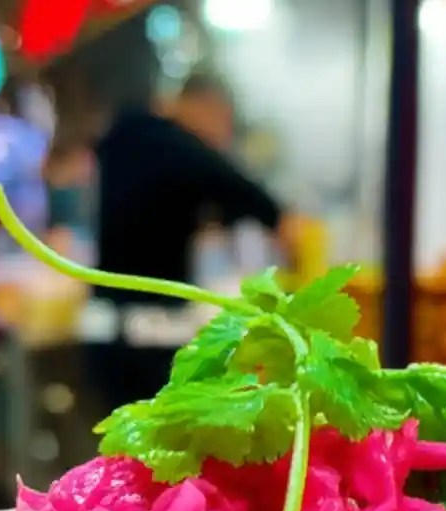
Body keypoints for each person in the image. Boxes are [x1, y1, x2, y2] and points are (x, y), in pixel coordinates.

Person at [89, 73, 293, 411]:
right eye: (222, 121)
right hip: (143, 343)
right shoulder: (169, 142)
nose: (221, 137)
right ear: (205, 106)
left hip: (107, 337)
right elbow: (256, 200)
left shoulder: (128, 135)